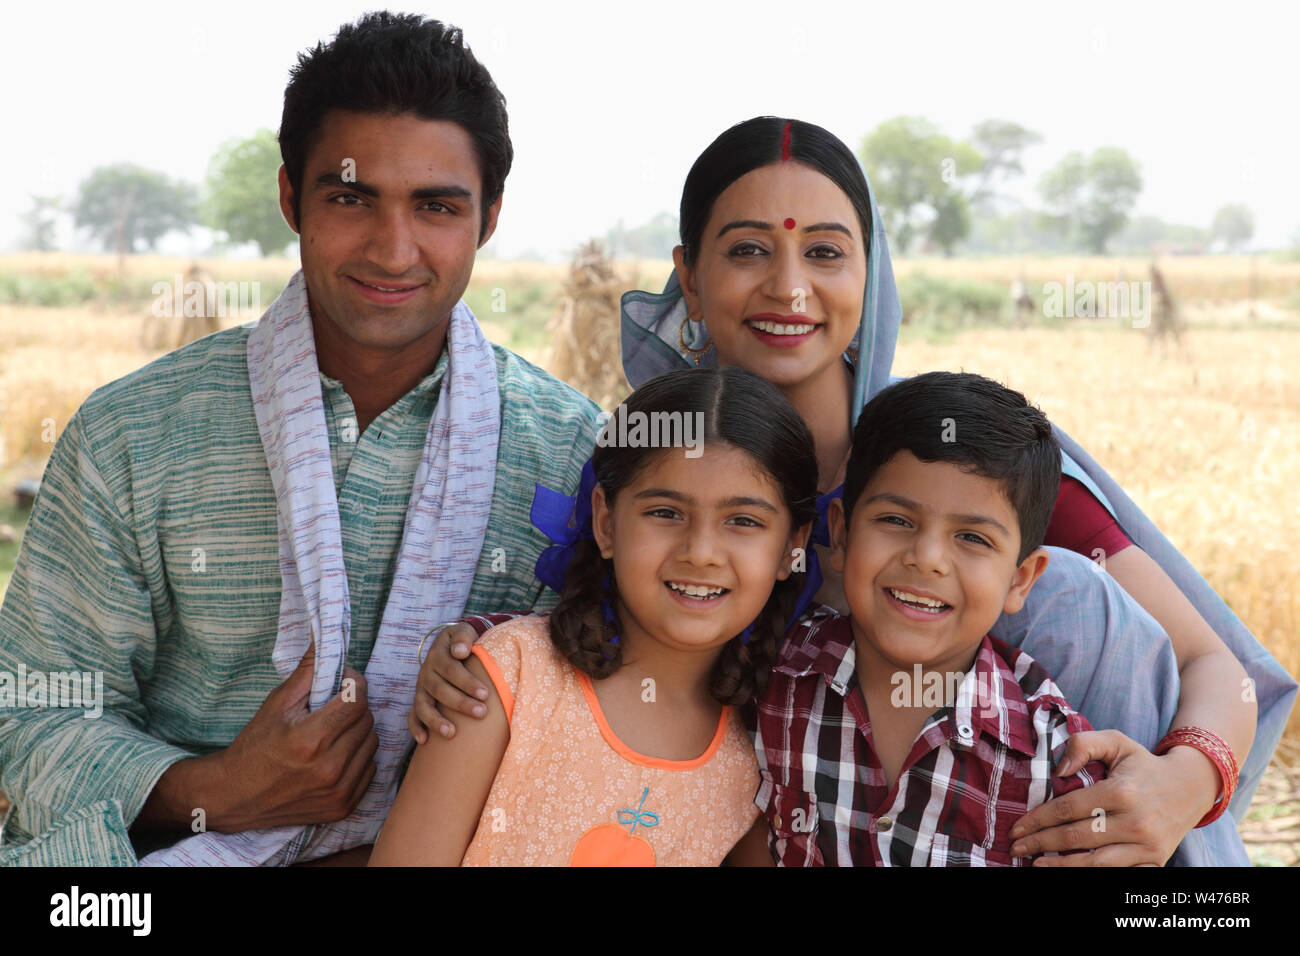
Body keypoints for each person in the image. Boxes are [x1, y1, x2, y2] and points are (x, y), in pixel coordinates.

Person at [414, 117, 1295, 866]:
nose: (789, 287)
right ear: (689, 274)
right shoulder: (664, 453)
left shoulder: (962, 470)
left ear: (869, 274)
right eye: (749, 249)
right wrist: (472, 657)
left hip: (1052, 825)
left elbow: (1215, 666)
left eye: (825, 253)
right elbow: (580, 643)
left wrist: (1185, 784)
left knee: (1076, 594)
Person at [0, 13, 601, 866]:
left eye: (436, 206)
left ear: (490, 216)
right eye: (352, 198)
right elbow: (27, 714)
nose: (394, 250)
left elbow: (612, 721)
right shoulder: (132, 436)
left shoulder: (573, 452)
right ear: (292, 198)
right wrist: (213, 792)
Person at [370, 367, 815, 865]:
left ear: (791, 548)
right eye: (666, 512)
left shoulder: (765, 749)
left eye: (743, 521)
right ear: (605, 521)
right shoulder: (507, 680)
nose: (701, 552)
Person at [743, 370, 1109, 866]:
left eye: (972, 538)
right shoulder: (769, 683)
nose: (927, 558)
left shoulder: (1056, 761)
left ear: (1020, 580)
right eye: (896, 520)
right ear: (843, 538)